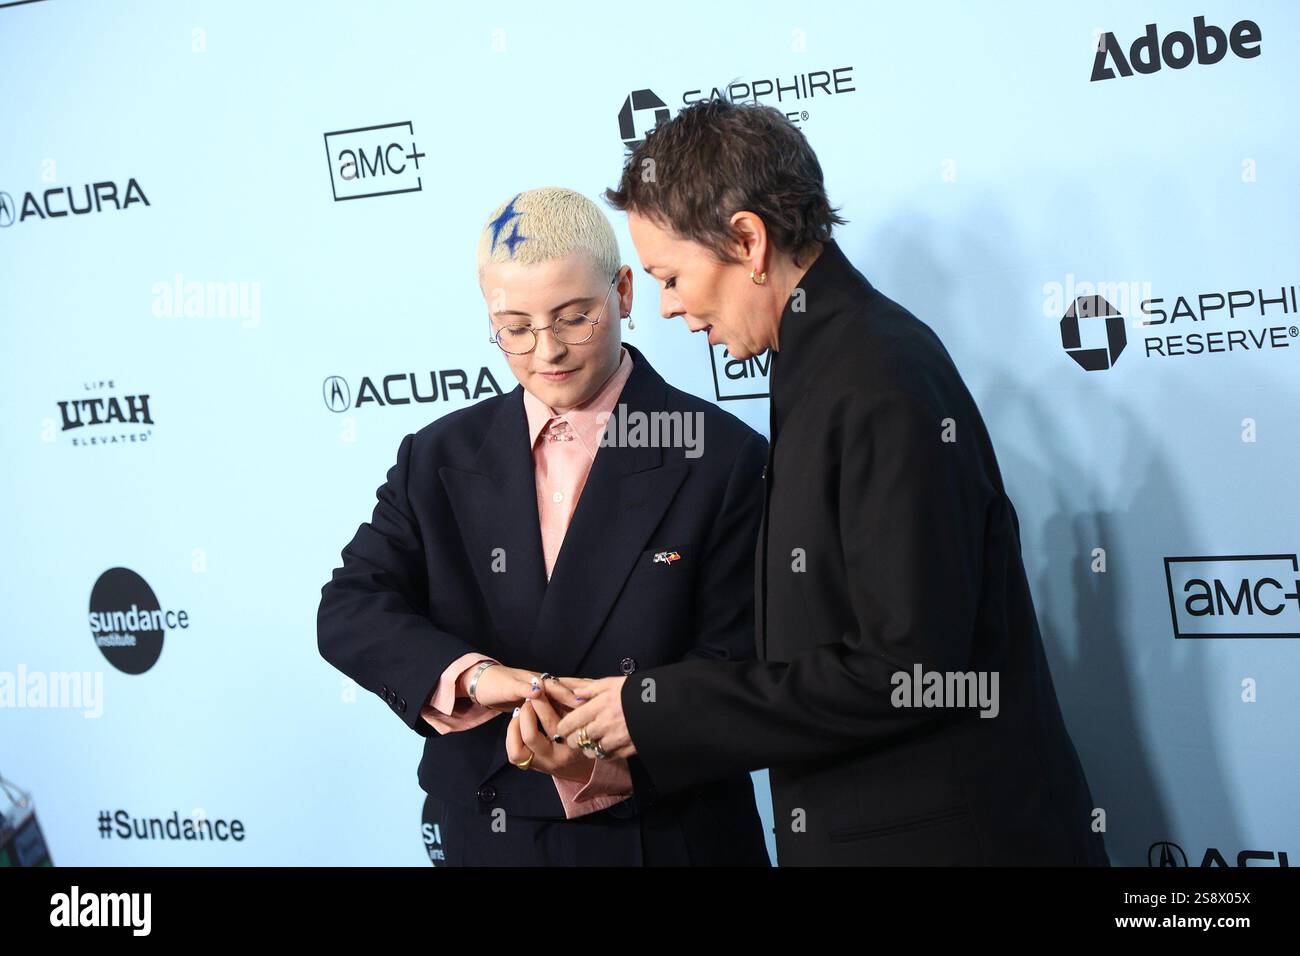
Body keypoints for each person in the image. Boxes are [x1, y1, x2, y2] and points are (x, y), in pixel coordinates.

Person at [548, 101, 1111, 866]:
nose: (670, 308)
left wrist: (660, 707)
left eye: (671, 276)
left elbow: (907, 671)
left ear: (748, 241)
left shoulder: (877, 376)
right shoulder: (823, 362)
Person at [317, 186, 769, 866]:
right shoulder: (436, 456)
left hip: (669, 835)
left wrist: (606, 739)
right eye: (516, 328)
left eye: (573, 318)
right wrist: (474, 677)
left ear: (622, 292)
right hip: (486, 835)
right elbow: (351, 607)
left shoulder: (725, 456)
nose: (547, 351)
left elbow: (744, 660)